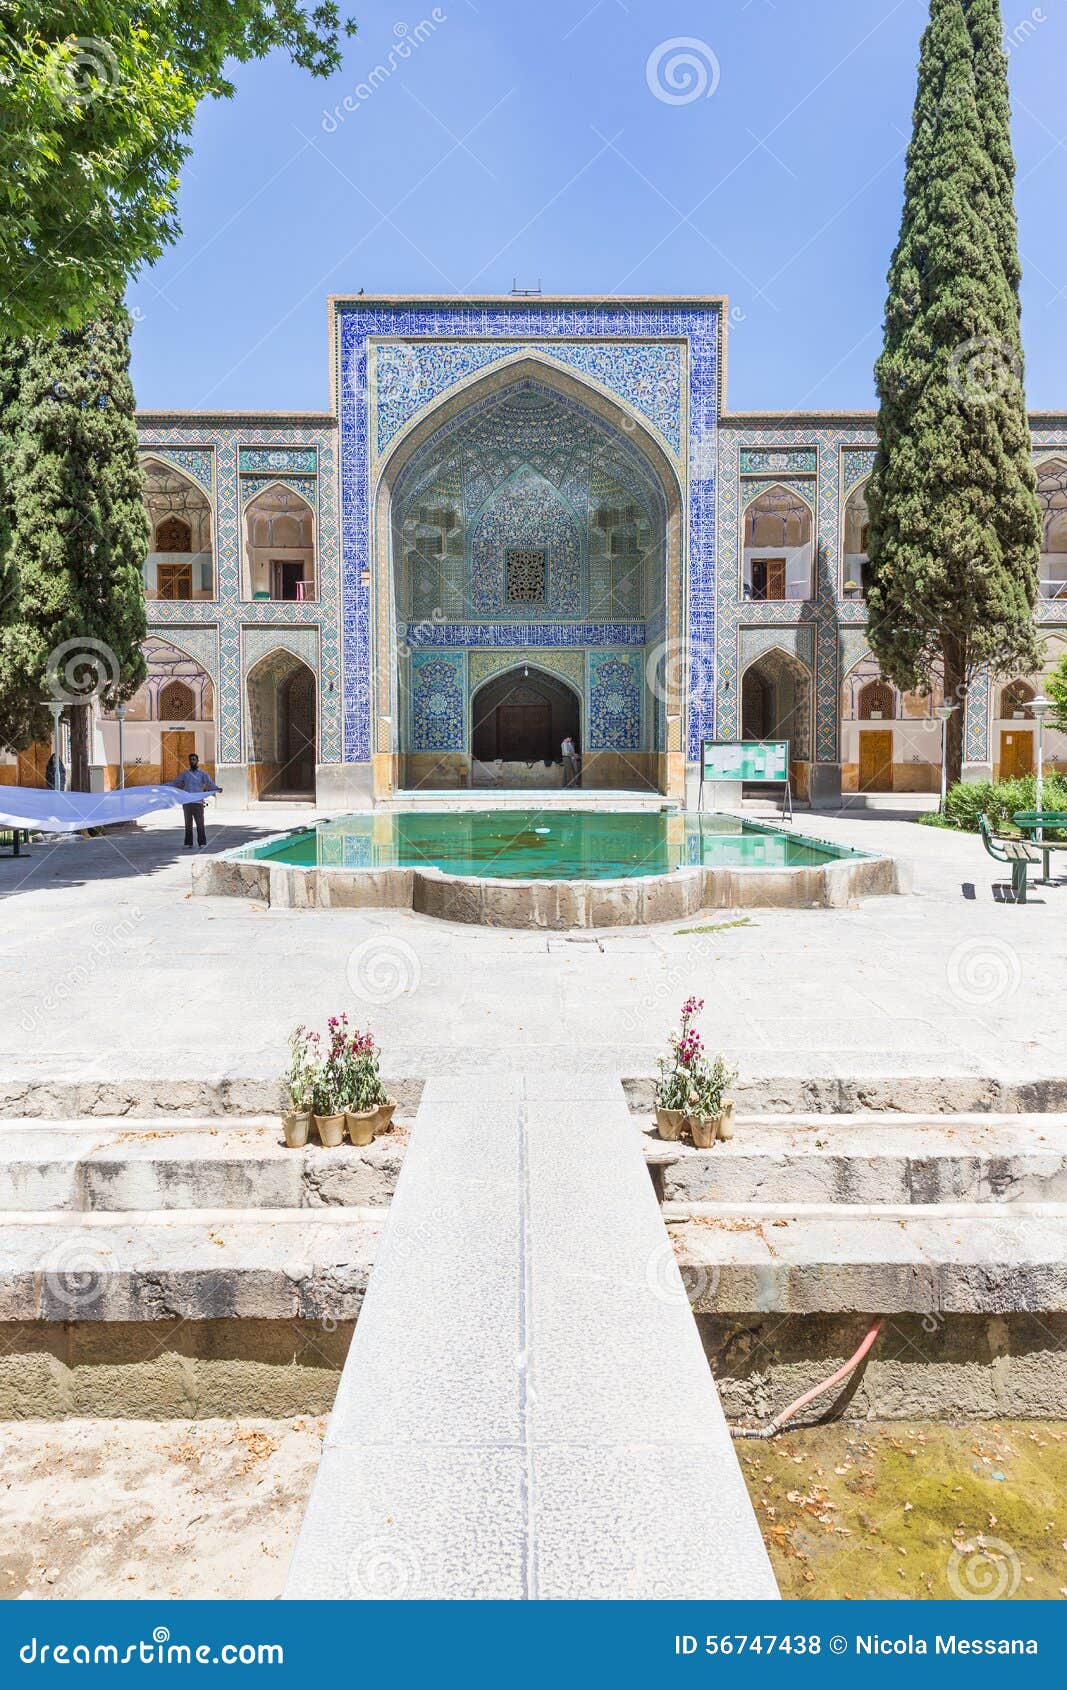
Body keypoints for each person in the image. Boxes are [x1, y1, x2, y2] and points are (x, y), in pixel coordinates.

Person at [172, 752, 221, 849]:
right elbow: (176, 783)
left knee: (200, 823)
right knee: (188, 824)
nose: (192, 761)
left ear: (197, 761)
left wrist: (217, 789)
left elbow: (209, 783)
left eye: (194, 759)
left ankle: (202, 842)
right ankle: (188, 843)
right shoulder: (185, 774)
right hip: (187, 802)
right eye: (191, 760)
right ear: (189, 762)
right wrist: (164, 788)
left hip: (198, 802)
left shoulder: (203, 774)